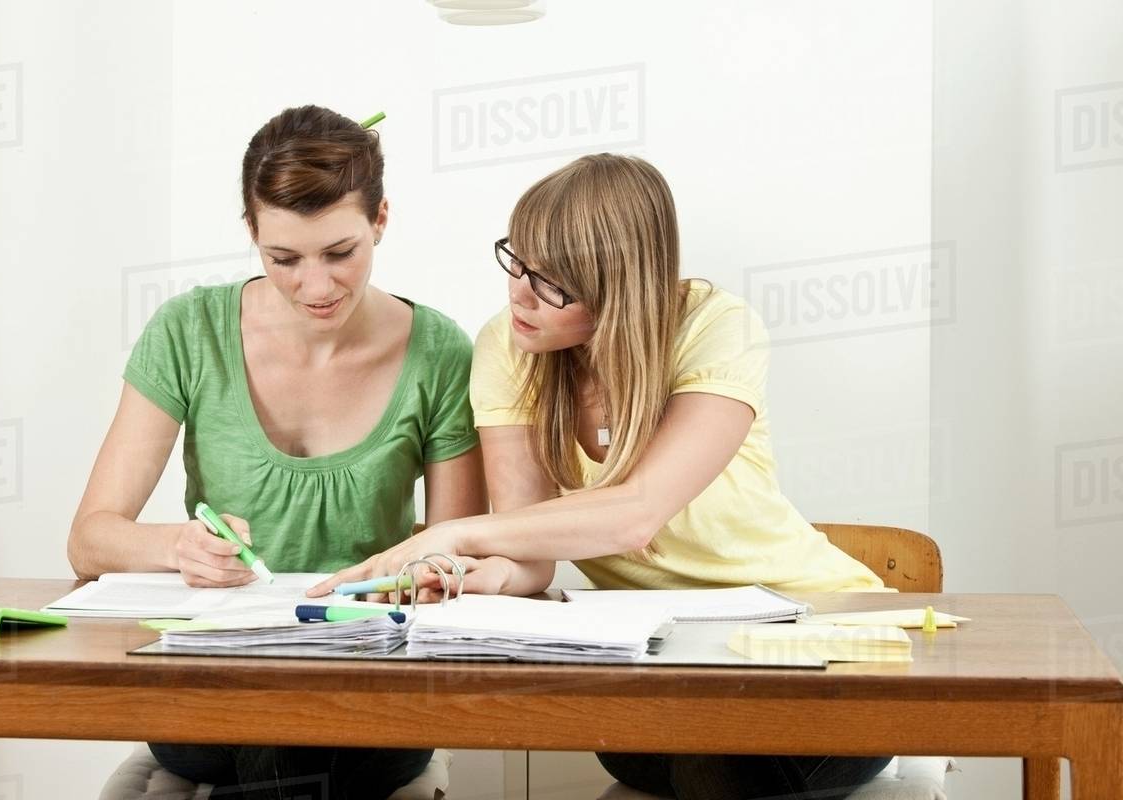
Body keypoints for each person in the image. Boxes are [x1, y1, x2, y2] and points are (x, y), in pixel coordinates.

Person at [312, 153, 891, 799]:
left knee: (721, 767)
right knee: (649, 758)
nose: (519, 293)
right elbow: (526, 557)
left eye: (554, 282)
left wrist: (446, 535)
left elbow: (637, 511)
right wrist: (458, 574)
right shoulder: (509, 346)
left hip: (813, 629)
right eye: (518, 262)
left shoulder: (714, 325)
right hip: (664, 654)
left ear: (623, 285)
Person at [68, 105, 486, 800]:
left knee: (301, 729)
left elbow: (456, 557)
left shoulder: (439, 352)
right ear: (252, 234)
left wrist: (422, 573)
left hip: (368, 695)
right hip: (211, 691)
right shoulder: (188, 331)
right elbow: (89, 540)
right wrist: (181, 547)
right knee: (261, 720)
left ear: (381, 220)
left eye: (340, 253)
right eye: (283, 259)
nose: (315, 288)